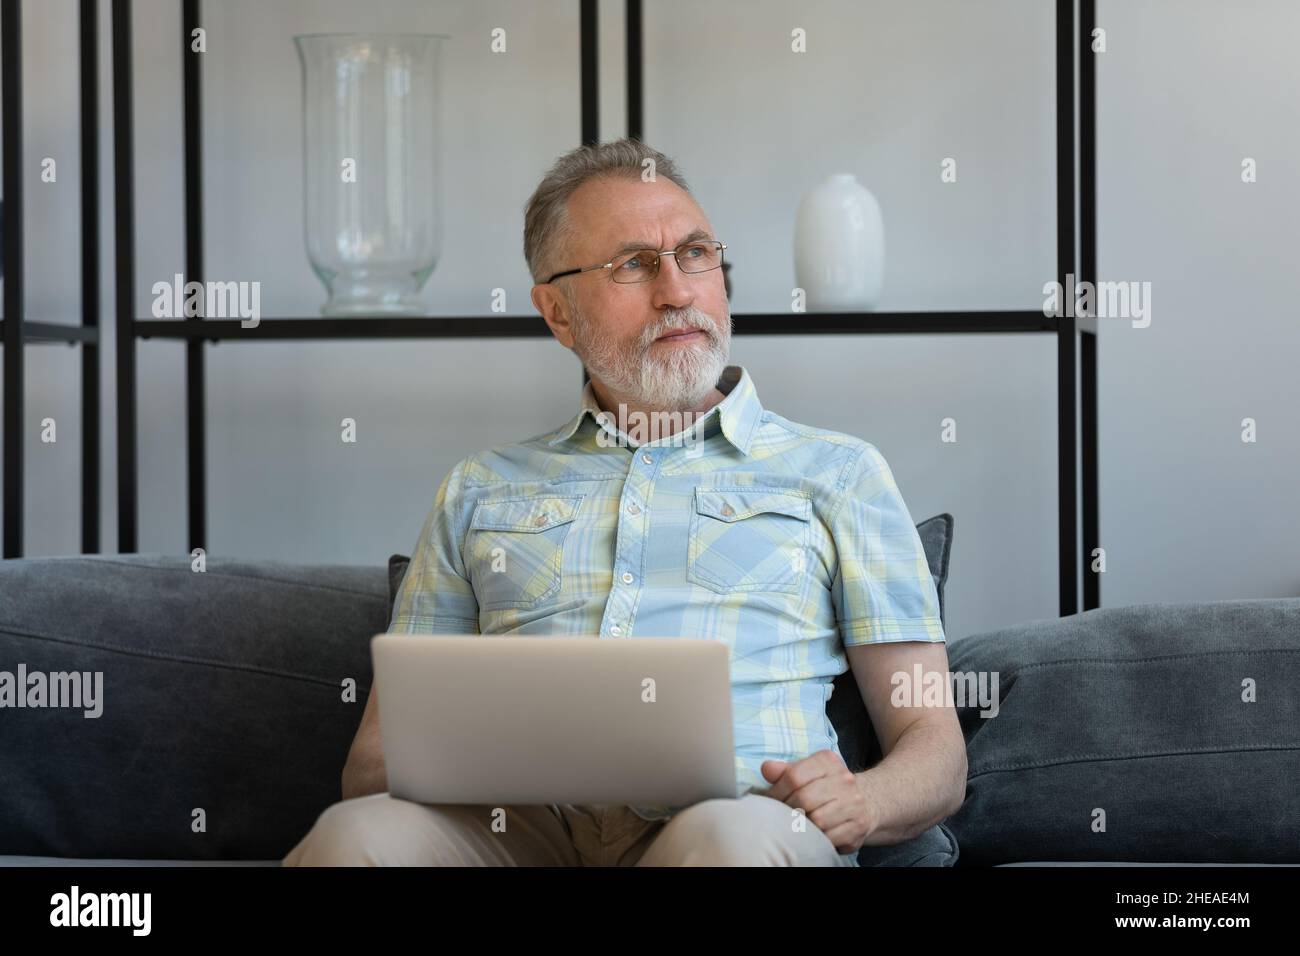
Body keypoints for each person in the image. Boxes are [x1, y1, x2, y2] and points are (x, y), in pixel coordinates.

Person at [283, 138, 966, 867]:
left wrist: (864, 800)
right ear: (558, 313)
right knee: (351, 839)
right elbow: (374, 767)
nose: (677, 290)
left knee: (729, 847)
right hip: (516, 832)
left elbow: (934, 748)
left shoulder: (840, 473)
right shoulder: (479, 489)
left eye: (696, 253)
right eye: (635, 264)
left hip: (736, 818)